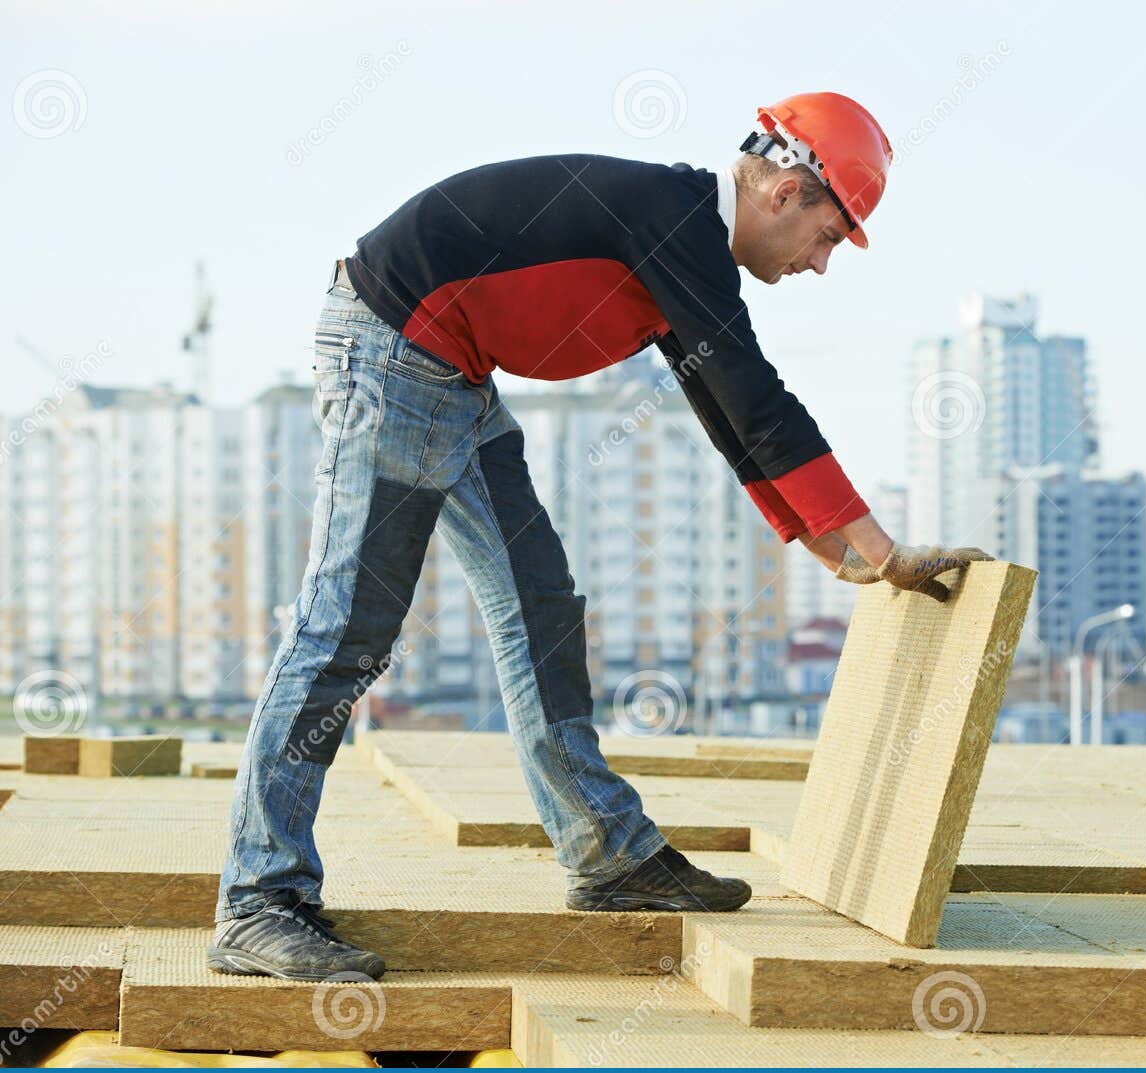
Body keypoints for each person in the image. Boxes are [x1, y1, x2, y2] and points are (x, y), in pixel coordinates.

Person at [208, 92, 992, 982]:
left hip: (451, 374)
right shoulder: (676, 221)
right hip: (393, 354)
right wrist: (879, 549)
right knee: (345, 630)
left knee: (539, 607)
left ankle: (609, 857)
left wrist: (835, 547)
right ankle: (257, 900)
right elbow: (753, 391)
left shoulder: (681, 243)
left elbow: (724, 410)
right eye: (826, 238)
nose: (820, 265)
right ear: (786, 193)